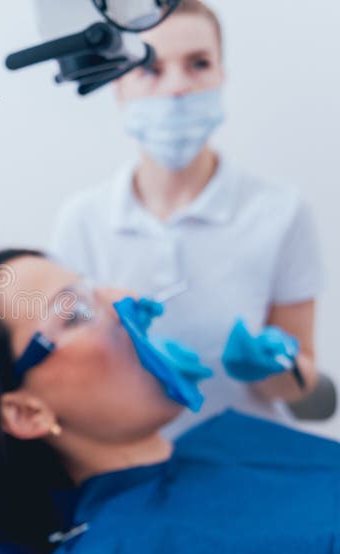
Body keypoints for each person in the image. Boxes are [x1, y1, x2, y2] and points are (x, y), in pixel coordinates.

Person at [0, 250, 340, 554]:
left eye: (93, 287)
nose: (128, 300)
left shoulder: (232, 440)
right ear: (27, 413)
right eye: (75, 313)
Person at [49, 0, 324, 436]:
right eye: (151, 67)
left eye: (199, 64)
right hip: (134, 460)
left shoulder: (281, 213)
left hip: (252, 455)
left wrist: (275, 367)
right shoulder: (82, 221)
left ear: (222, 76)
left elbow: (303, 385)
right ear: (119, 87)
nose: (177, 87)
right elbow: (63, 376)